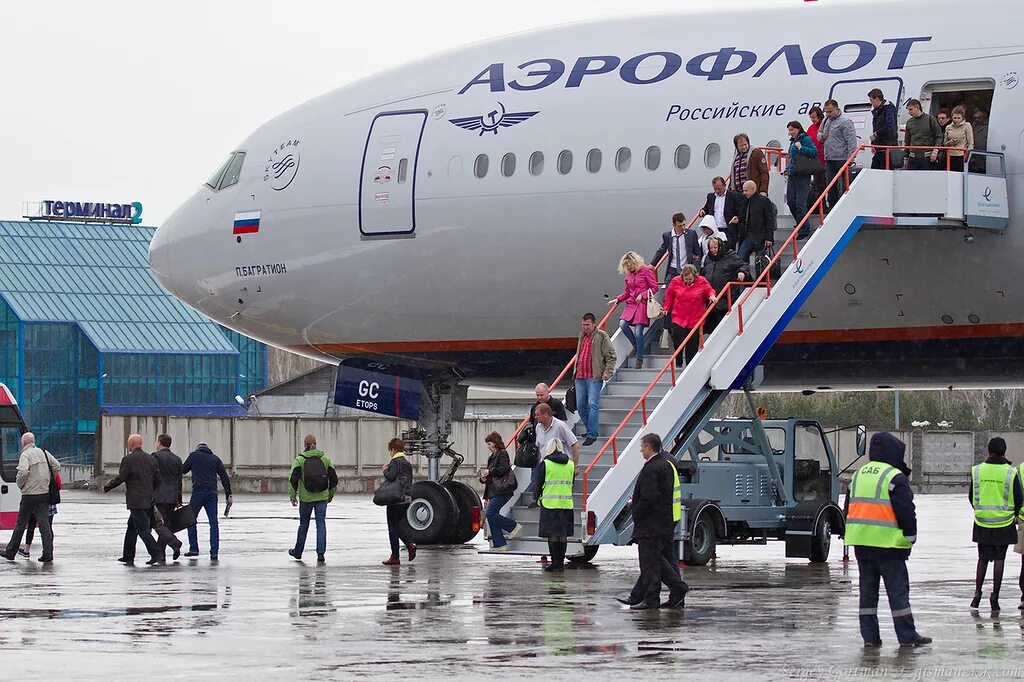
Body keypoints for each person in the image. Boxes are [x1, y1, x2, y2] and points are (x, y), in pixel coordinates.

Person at [844, 432, 931, 648]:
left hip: (862, 545)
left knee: (867, 595)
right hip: (889, 546)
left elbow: (848, 509)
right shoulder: (894, 477)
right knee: (898, 594)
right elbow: (905, 511)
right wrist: (910, 537)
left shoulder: (858, 475)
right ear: (893, 452)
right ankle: (907, 636)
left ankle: (870, 639)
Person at [626, 433, 689, 610]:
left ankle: (652, 599)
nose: (640, 450)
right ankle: (678, 587)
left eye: (642, 447)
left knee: (649, 564)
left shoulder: (652, 468)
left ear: (648, 447)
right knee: (659, 562)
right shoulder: (667, 464)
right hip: (665, 523)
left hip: (651, 526)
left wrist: (635, 511)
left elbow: (649, 498)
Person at [968, 437, 1022, 612]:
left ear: (988, 451)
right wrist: (1012, 515)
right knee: (999, 559)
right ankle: (995, 598)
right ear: (1004, 452)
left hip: (982, 521)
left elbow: (971, 496)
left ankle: (977, 594)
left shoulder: (977, 471)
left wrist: (981, 511)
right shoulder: (1010, 472)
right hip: (1004, 522)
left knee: (982, 558)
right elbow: (1019, 498)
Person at [1, 432, 60, 563]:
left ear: (23, 443)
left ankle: (11, 552)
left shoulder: (25, 455)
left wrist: (21, 484)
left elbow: (22, 472)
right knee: (44, 524)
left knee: (21, 523)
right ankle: (48, 554)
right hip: (44, 494)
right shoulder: (44, 452)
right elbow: (57, 466)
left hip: (29, 495)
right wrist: (45, 479)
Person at [103, 434, 162, 565]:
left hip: (136, 500)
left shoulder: (128, 459)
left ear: (132, 444)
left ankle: (156, 553)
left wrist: (107, 487)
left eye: (128, 443)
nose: (127, 445)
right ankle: (128, 556)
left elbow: (121, 477)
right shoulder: (151, 459)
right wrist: (151, 492)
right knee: (131, 527)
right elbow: (158, 480)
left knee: (142, 529)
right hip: (147, 500)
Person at [288, 434, 339, 563]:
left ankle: (298, 552)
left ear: (305, 445)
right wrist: (330, 494)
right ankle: (320, 554)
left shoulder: (299, 460)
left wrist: (293, 496)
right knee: (320, 524)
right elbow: (334, 478)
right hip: (322, 497)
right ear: (316, 443)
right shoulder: (325, 459)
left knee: (303, 524)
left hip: (306, 499)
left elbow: (293, 479)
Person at [182, 442, 232, 561]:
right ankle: (214, 552)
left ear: (198, 449)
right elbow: (225, 477)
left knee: (191, 520)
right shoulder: (215, 459)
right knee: (213, 523)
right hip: (212, 493)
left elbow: (183, 470)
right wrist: (228, 495)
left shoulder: (194, 456)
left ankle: (194, 549)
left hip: (198, 492)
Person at [610, 251, 658, 369]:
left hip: (642, 305)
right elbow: (627, 292)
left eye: (630, 264)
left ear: (635, 262)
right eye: (627, 265)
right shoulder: (628, 275)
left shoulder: (646, 271)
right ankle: (636, 346)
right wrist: (618, 299)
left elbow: (654, 287)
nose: (629, 267)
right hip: (631, 304)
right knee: (623, 324)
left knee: (638, 332)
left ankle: (639, 358)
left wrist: (643, 294)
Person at [574, 313, 615, 447]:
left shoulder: (601, 336)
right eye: (583, 325)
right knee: (580, 406)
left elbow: (611, 355)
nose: (585, 327)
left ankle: (592, 434)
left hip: (594, 376)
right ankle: (590, 429)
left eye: (587, 325)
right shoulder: (582, 336)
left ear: (594, 324)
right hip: (580, 376)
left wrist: (607, 372)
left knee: (592, 404)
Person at [662, 265, 715, 368]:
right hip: (679, 316)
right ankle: (678, 360)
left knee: (692, 344)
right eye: (686, 279)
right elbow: (669, 296)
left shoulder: (702, 281)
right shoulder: (675, 281)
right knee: (676, 336)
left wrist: (711, 296)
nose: (688, 281)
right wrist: (666, 308)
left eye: (690, 279)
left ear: (695, 276)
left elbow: (709, 290)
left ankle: (690, 367)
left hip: (695, 318)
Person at [536, 438, 575, 572]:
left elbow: (538, 484)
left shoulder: (546, 464)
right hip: (566, 503)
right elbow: (572, 483)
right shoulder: (570, 464)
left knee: (552, 535)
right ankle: (561, 563)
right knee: (562, 535)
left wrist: (537, 498)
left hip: (549, 504)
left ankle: (554, 563)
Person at [481, 431, 522, 551]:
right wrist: (483, 477)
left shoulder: (502, 453)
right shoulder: (492, 457)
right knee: (492, 515)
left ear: (495, 443)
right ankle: (500, 544)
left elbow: (504, 469)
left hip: (503, 490)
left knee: (490, 513)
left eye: (489, 443)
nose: (488, 446)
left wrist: (490, 471)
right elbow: (493, 473)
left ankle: (513, 526)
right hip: (494, 490)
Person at [700, 236, 750, 332]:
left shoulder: (730, 256)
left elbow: (744, 265)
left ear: (720, 247)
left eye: (715, 248)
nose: (713, 250)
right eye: (711, 248)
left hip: (726, 300)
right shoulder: (707, 259)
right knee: (709, 329)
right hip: (711, 301)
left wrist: (742, 272)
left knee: (725, 329)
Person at [818, 99, 859, 209]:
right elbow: (819, 134)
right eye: (826, 111)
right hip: (829, 158)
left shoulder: (845, 122)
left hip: (842, 158)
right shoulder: (826, 121)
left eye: (830, 111)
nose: (828, 114)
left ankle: (847, 207)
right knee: (830, 186)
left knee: (845, 185)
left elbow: (851, 140)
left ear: (837, 109)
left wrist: (851, 157)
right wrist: (822, 136)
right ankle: (832, 208)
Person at [382, 437, 416, 565]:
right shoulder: (407, 463)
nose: (390, 453)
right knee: (398, 525)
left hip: (395, 499)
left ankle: (395, 556)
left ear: (393, 449)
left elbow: (391, 476)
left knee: (392, 528)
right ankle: (410, 545)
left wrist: (385, 469)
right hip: (406, 498)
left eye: (390, 450)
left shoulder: (395, 462)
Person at [151, 434, 184, 562]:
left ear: (159, 443)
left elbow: (152, 476)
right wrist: (179, 499)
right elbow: (179, 480)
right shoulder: (177, 459)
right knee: (166, 524)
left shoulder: (155, 457)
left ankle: (174, 543)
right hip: (172, 496)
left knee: (158, 524)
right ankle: (161, 554)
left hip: (159, 496)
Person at [784, 120, 819, 235]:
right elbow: (792, 158)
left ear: (798, 129)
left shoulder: (805, 139)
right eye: (789, 130)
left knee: (800, 203)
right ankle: (800, 222)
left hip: (803, 174)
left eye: (792, 129)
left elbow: (814, 152)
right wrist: (787, 168)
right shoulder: (792, 142)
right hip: (793, 174)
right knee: (791, 201)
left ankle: (804, 228)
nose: (790, 132)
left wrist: (801, 148)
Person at [18, 471, 60, 559]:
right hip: (50, 503)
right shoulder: (53, 473)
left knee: (31, 526)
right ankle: (49, 550)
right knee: (48, 527)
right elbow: (59, 485)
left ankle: (26, 550)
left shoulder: (38, 473)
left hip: (37, 502)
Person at [652, 212, 702, 283]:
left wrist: (696, 270)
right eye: (680, 226)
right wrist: (652, 265)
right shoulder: (667, 236)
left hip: (687, 268)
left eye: (684, 225)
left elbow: (697, 253)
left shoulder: (691, 234)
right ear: (674, 225)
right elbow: (662, 250)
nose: (683, 227)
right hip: (673, 269)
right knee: (668, 287)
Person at [698, 176, 745, 246]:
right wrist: (702, 211)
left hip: (728, 230)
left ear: (725, 186)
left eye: (719, 189)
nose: (717, 191)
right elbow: (706, 208)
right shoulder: (711, 197)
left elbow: (741, 212)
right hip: (714, 231)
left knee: (728, 253)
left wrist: (738, 218)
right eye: (715, 189)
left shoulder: (734, 196)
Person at [737, 180, 775, 264]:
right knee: (741, 257)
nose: (744, 193)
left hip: (761, 236)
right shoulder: (746, 201)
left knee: (760, 261)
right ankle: (746, 276)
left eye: (746, 190)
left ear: (753, 189)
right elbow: (743, 216)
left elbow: (770, 220)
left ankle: (761, 277)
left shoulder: (764, 201)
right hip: (748, 235)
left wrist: (769, 237)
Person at [903, 99, 942, 170]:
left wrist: (935, 151)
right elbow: (907, 141)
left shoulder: (930, 119)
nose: (909, 112)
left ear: (917, 107)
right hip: (912, 157)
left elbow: (939, 136)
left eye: (911, 109)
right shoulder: (909, 122)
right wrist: (905, 157)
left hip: (927, 157)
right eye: (908, 110)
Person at [868, 88, 899, 170]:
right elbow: (876, 127)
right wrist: (873, 143)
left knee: (885, 171)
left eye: (871, 100)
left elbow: (890, 126)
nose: (870, 102)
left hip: (888, 148)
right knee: (874, 171)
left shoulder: (888, 109)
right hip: (879, 148)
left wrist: (876, 134)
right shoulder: (877, 111)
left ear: (877, 99)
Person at [806, 106, 827, 208]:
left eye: (814, 117)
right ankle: (820, 205)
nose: (813, 120)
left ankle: (825, 205)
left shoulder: (825, 125)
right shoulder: (811, 128)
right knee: (817, 184)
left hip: (824, 158)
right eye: (811, 118)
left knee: (823, 184)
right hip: (815, 160)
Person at [943, 105, 974, 173]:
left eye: (958, 118)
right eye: (955, 118)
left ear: (962, 118)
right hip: (949, 156)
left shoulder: (967, 126)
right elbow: (944, 143)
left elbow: (970, 143)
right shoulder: (948, 127)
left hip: (961, 156)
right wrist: (950, 142)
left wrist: (966, 156)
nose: (956, 120)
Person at [970, 107, 988, 174]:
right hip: (974, 154)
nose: (977, 119)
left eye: (979, 117)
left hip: (984, 154)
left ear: (984, 116)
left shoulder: (989, 125)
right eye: (975, 118)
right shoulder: (973, 125)